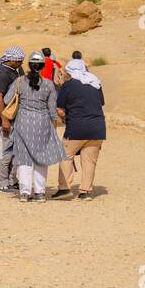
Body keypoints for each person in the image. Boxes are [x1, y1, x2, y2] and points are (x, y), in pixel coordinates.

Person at [7, 50, 67, 201]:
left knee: (24, 159)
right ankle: (40, 192)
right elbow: (52, 111)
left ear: (29, 65)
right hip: (43, 124)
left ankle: (25, 192)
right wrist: (54, 127)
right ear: (41, 67)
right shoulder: (48, 85)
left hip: (22, 124)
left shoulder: (19, 82)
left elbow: (8, 99)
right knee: (41, 158)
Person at [54, 58, 106, 200]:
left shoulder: (69, 85)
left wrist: (65, 119)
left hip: (77, 126)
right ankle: (85, 192)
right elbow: (100, 103)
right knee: (89, 160)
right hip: (98, 127)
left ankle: (64, 188)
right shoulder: (95, 83)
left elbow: (60, 108)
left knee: (65, 156)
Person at [0, 47, 24, 195]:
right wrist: (4, 119)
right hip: (4, 119)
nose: (21, 62)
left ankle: (11, 180)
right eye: (19, 60)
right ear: (11, 60)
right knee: (4, 151)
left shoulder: (14, 70)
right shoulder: (3, 73)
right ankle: (0, 182)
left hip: (14, 119)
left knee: (14, 152)